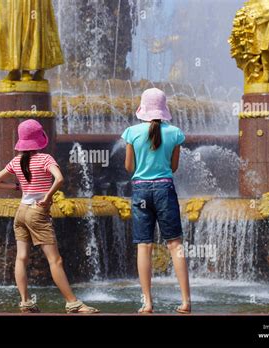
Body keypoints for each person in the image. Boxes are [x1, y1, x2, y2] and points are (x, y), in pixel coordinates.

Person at [0, 119, 99, 314]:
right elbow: (59, 179)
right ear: (39, 140)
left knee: (21, 257)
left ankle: (25, 302)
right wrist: (48, 196)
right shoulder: (45, 159)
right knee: (55, 260)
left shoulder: (16, 161)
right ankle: (72, 302)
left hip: (21, 211)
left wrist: (17, 187)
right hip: (37, 212)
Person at [121, 88, 191, 314]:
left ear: (143, 108)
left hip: (141, 191)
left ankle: (148, 303)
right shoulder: (175, 133)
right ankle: (186, 301)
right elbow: (174, 167)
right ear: (164, 109)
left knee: (144, 245)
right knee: (175, 244)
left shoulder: (131, 132)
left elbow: (129, 167)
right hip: (165, 189)